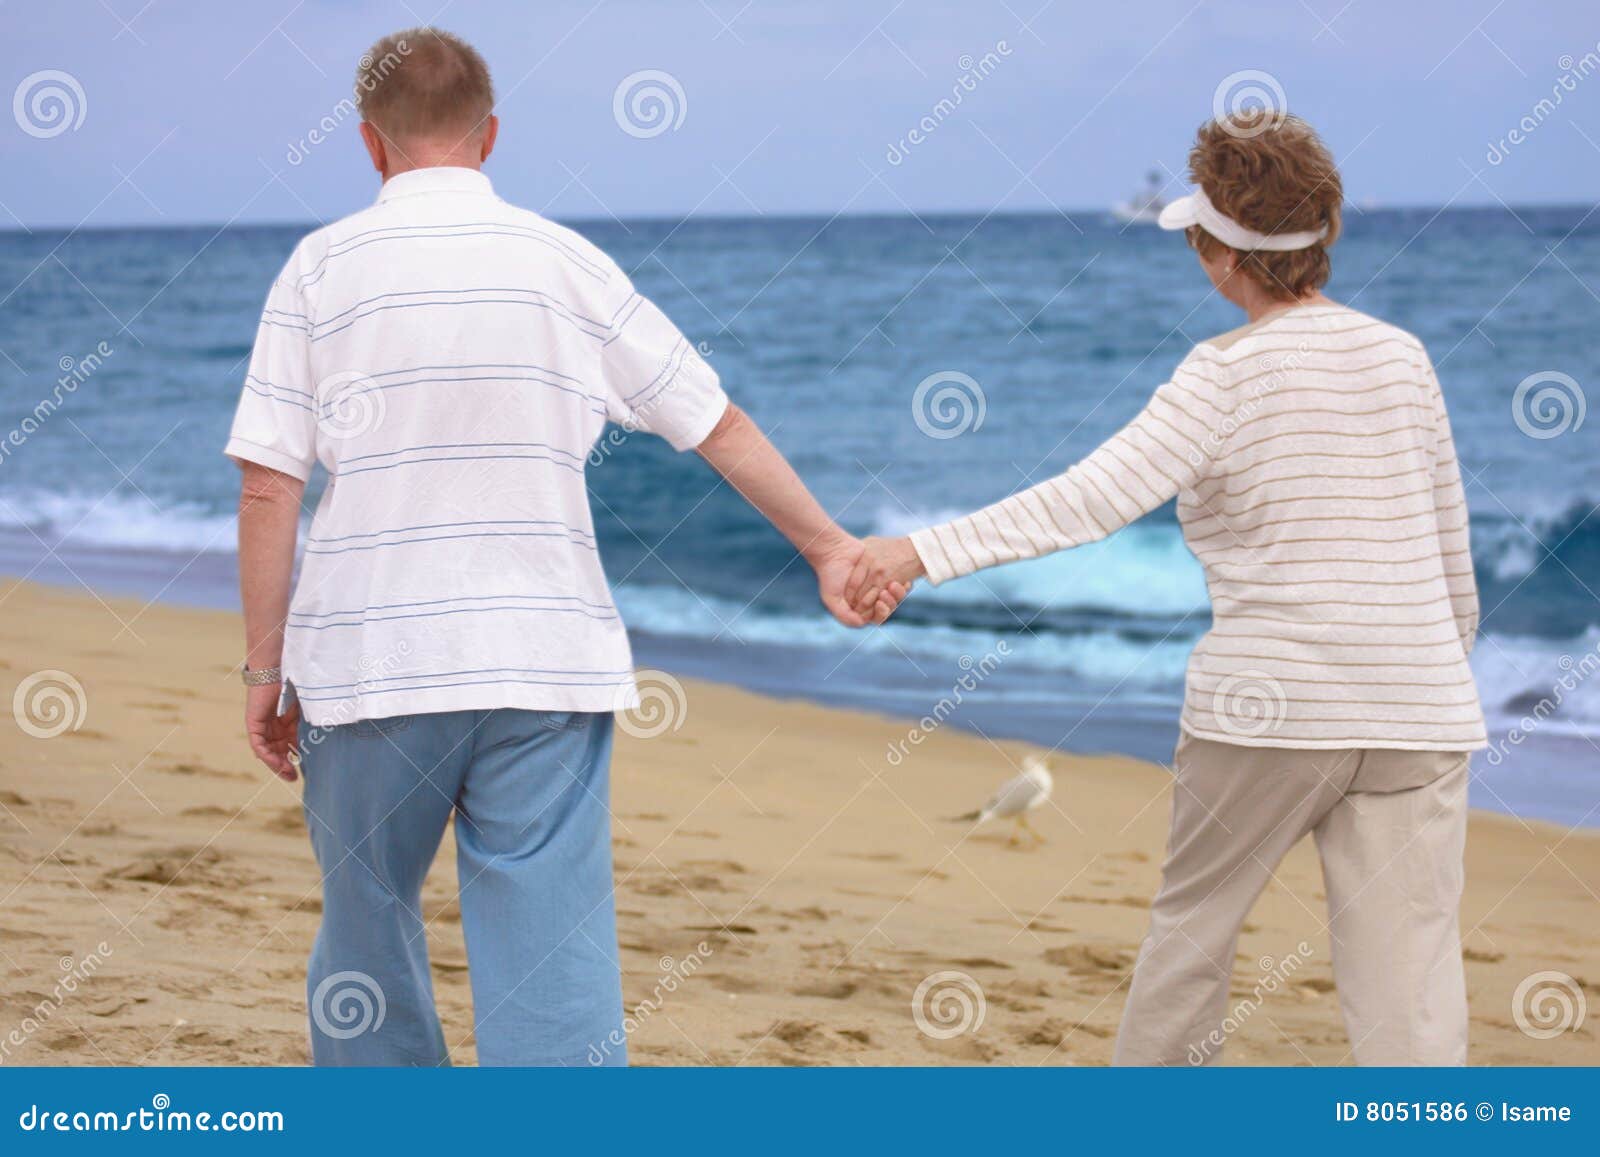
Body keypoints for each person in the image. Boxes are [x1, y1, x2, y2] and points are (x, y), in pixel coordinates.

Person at [227, 27, 903, 1066]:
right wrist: (823, 545)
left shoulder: (320, 268)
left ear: (370, 146)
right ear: (489, 134)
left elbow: (270, 480)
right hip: (543, 655)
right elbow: (712, 420)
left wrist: (265, 667)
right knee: (551, 951)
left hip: (370, 661)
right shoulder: (565, 261)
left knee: (365, 925)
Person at [847, 112, 1484, 1066]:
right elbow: (1451, 561)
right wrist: (1420, 670)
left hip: (1269, 708)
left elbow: (1090, 500)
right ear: (1326, 235)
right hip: (1422, 706)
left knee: (1195, 935)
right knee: (1414, 973)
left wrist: (916, 551)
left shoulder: (1219, 374)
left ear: (1219, 253)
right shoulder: (1404, 356)